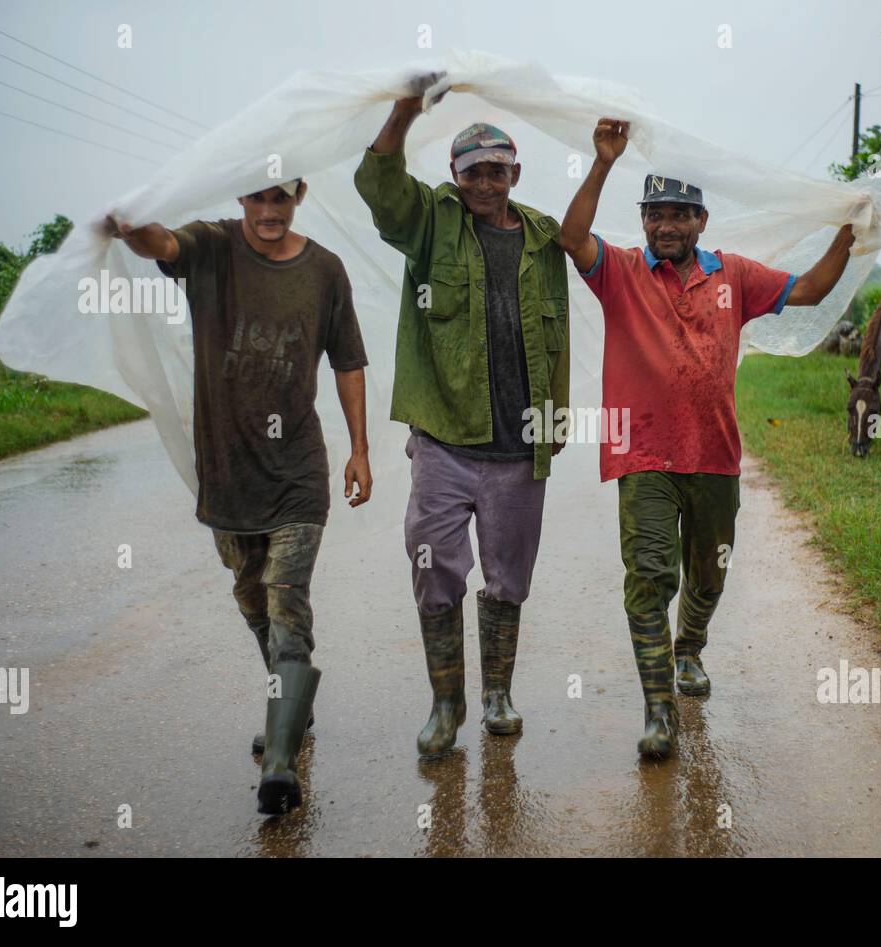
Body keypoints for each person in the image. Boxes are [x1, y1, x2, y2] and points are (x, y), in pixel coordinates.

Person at [559, 118, 858, 758]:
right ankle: (659, 708)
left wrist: (848, 236)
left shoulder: (734, 277)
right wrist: (604, 162)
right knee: (648, 575)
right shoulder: (619, 271)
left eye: (679, 214)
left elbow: (807, 290)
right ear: (642, 220)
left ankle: (689, 648)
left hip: (714, 455)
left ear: (701, 221)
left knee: (709, 572)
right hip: (641, 454)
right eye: (655, 214)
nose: (665, 225)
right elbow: (571, 237)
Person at [105, 177, 372, 812]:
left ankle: (279, 763)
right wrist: (123, 222)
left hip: (297, 474)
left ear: (300, 195)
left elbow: (349, 360)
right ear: (241, 201)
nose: (270, 211)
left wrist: (359, 449)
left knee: (286, 608)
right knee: (254, 603)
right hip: (227, 473)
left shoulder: (325, 270)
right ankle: (292, 711)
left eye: (281, 198)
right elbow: (159, 242)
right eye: (258, 198)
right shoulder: (212, 247)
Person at [354, 79, 570, 757]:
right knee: (435, 566)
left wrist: (555, 424)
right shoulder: (431, 222)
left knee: (507, 578)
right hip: (445, 440)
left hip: (517, 447)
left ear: (515, 174)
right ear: (455, 174)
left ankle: (497, 695)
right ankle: (445, 704)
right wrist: (405, 107)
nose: (484, 182)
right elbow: (380, 185)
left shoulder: (543, 237)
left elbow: (560, 334)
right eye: (472, 170)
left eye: (496, 170)